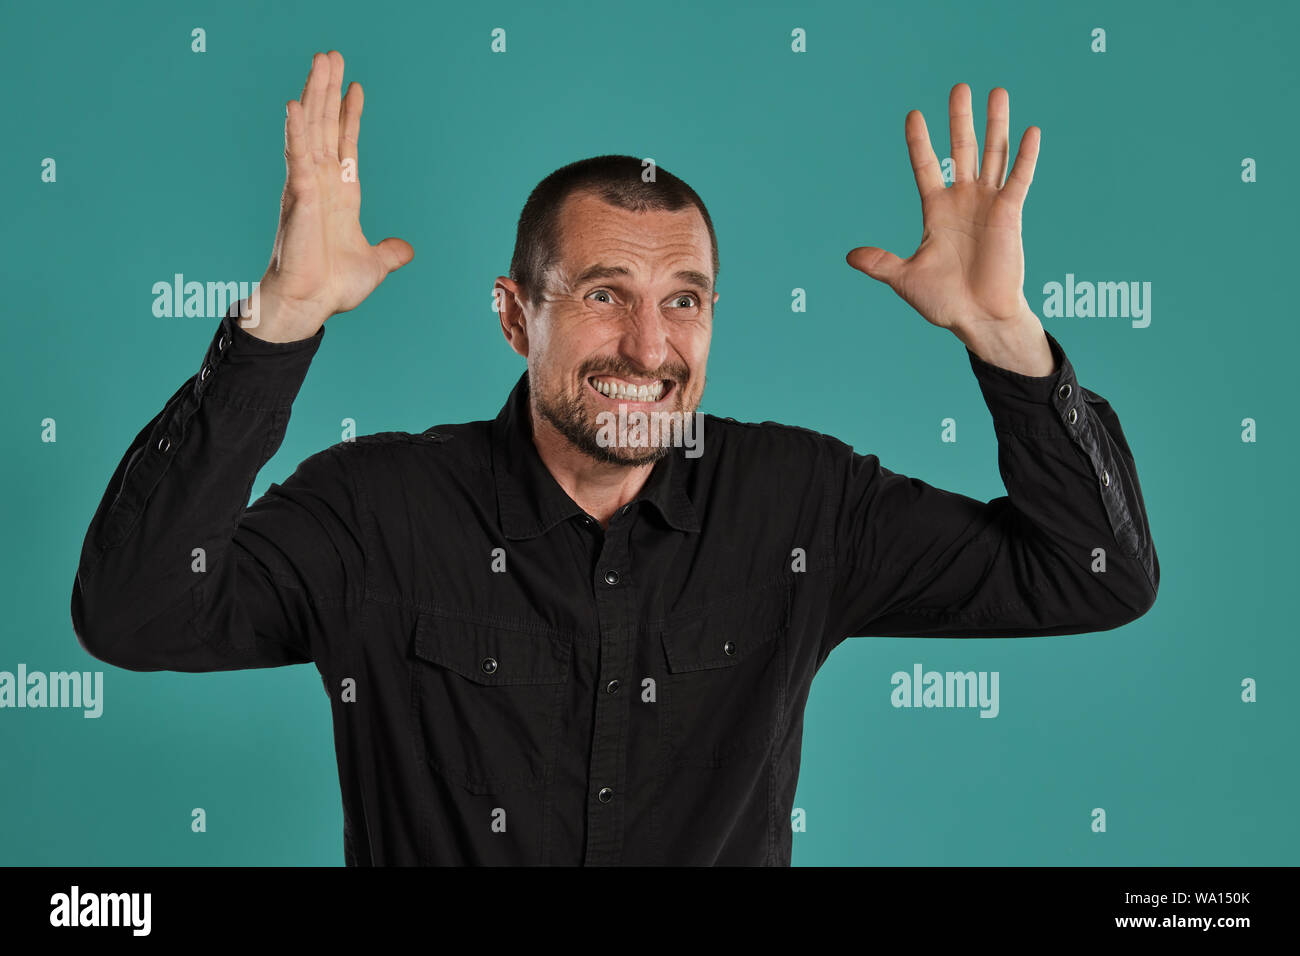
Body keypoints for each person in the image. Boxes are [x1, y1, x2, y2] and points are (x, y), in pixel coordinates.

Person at [71, 50, 1158, 865]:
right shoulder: (376, 510)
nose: (648, 347)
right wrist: (276, 325)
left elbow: (1093, 575)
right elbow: (134, 612)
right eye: (604, 296)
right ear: (514, 315)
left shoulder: (801, 505)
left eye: (683, 301)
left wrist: (1009, 345)